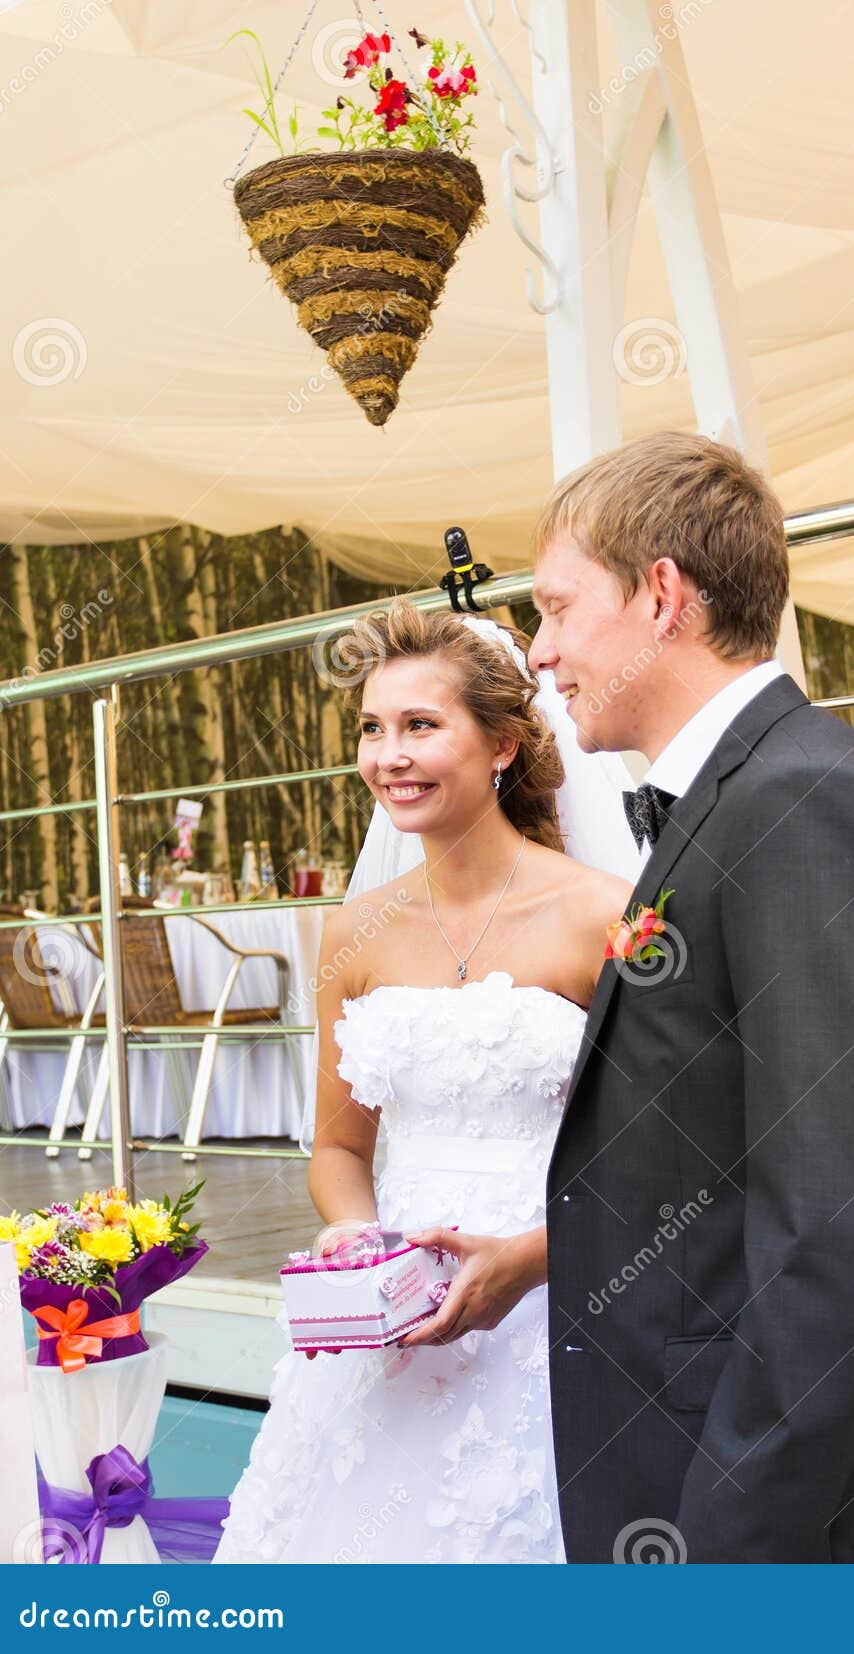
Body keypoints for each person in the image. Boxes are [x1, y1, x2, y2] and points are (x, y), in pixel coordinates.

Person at [407, 430, 854, 1563]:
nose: (537, 654)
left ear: (659, 596)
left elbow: (838, 1228)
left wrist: (727, 1544)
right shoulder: (735, 799)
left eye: (555, 607)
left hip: (797, 1522)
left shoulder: (808, 808)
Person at [213, 599, 635, 1563]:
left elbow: (671, 1146)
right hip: (388, 1330)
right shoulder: (351, 931)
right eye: (371, 728)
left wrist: (529, 1259)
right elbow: (338, 1147)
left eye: (420, 725)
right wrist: (361, 1246)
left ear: (502, 746)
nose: (387, 755)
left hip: (555, 1301)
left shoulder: (609, 917)